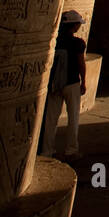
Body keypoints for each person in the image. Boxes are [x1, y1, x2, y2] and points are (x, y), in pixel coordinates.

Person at [41, 10, 87, 158]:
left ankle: (47, 150)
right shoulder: (78, 43)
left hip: (55, 84)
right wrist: (83, 81)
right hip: (72, 83)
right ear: (74, 26)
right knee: (73, 118)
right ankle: (71, 149)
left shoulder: (55, 40)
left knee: (51, 119)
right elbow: (81, 64)